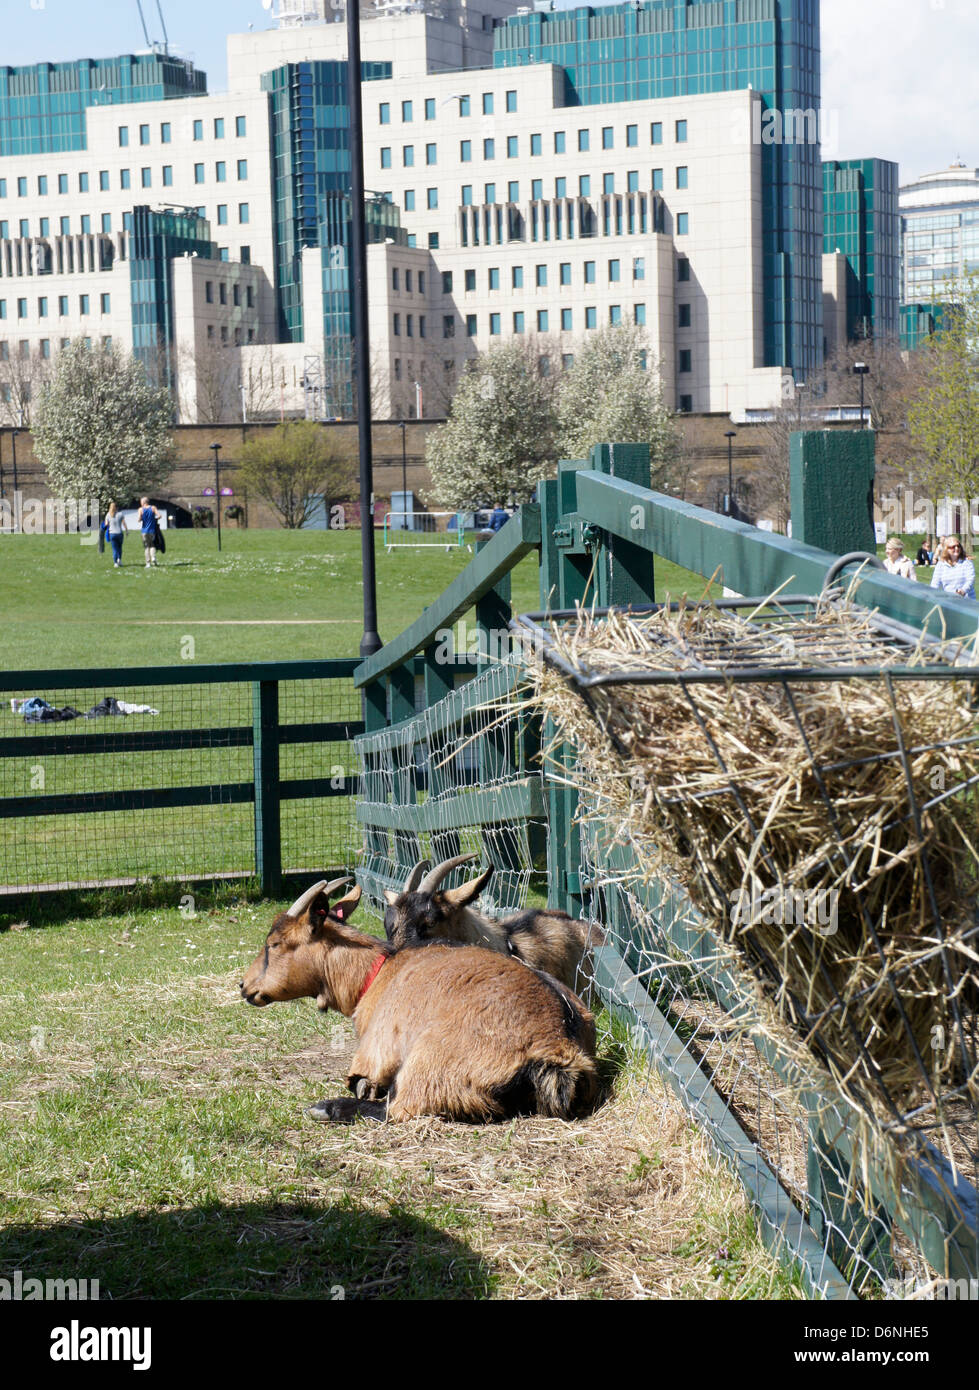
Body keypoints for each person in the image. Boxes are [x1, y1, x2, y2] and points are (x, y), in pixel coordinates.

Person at [139, 496, 161, 568]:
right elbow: (159, 516)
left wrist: (142, 519)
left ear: (144, 502)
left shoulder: (141, 509)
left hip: (144, 531)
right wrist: (154, 519)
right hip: (152, 530)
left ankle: (148, 563)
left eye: (141, 502)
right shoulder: (153, 508)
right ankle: (153, 558)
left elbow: (139, 519)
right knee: (152, 545)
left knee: (146, 546)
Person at [104, 501, 127, 568]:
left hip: (112, 534)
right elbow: (124, 523)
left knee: (114, 549)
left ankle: (115, 563)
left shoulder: (108, 515)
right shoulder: (120, 514)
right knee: (119, 548)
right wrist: (127, 530)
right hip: (119, 533)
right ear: (117, 507)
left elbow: (106, 524)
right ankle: (119, 559)